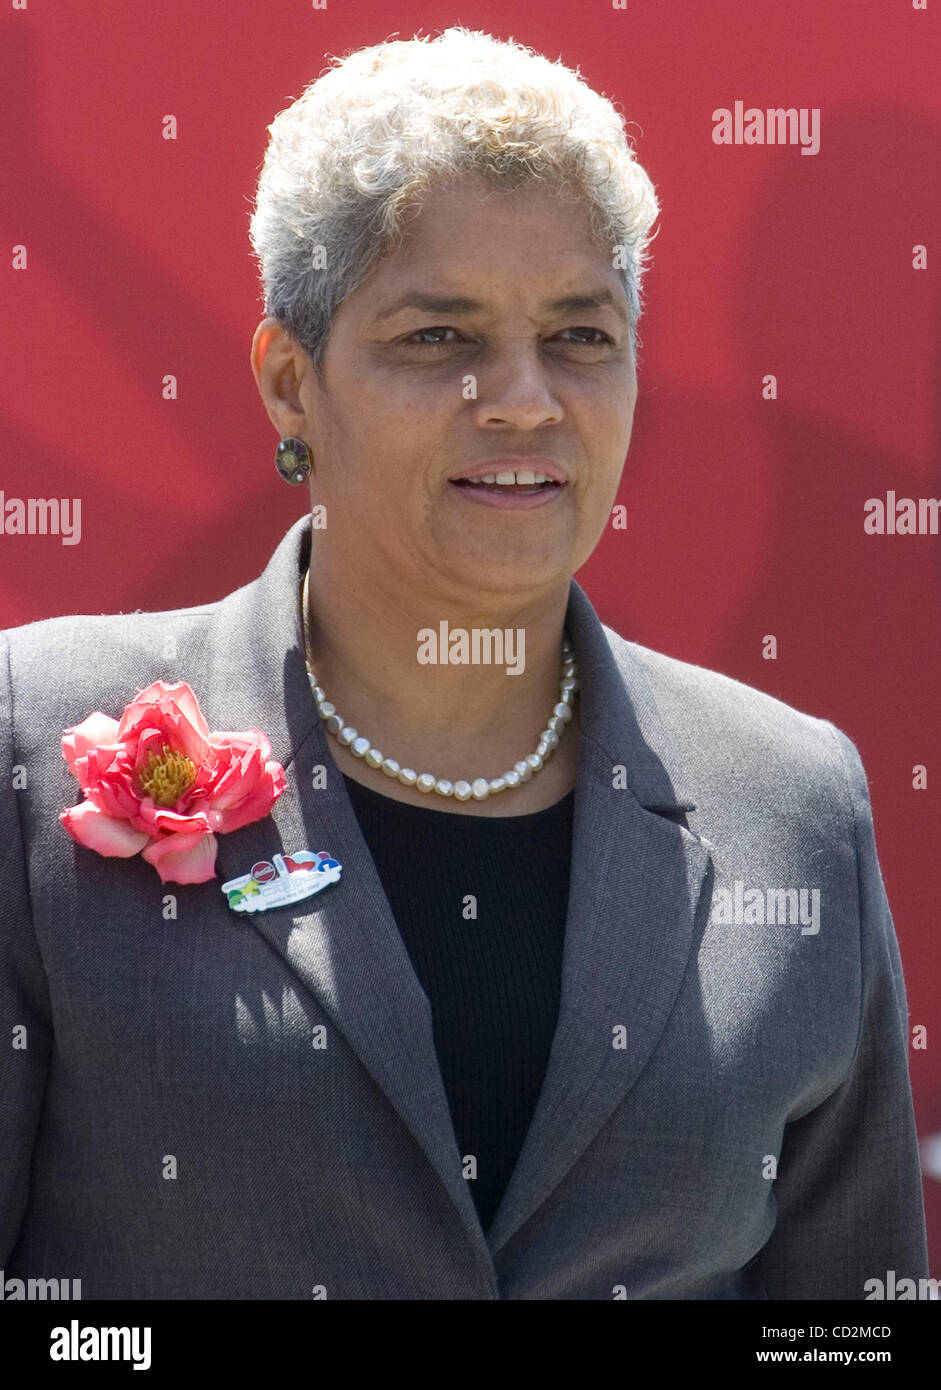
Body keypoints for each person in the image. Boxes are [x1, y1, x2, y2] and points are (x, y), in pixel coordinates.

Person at [0, 26, 928, 1300]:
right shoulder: (33, 744)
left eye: (580, 336)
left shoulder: (791, 799)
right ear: (288, 382)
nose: (523, 399)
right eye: (438, 338)